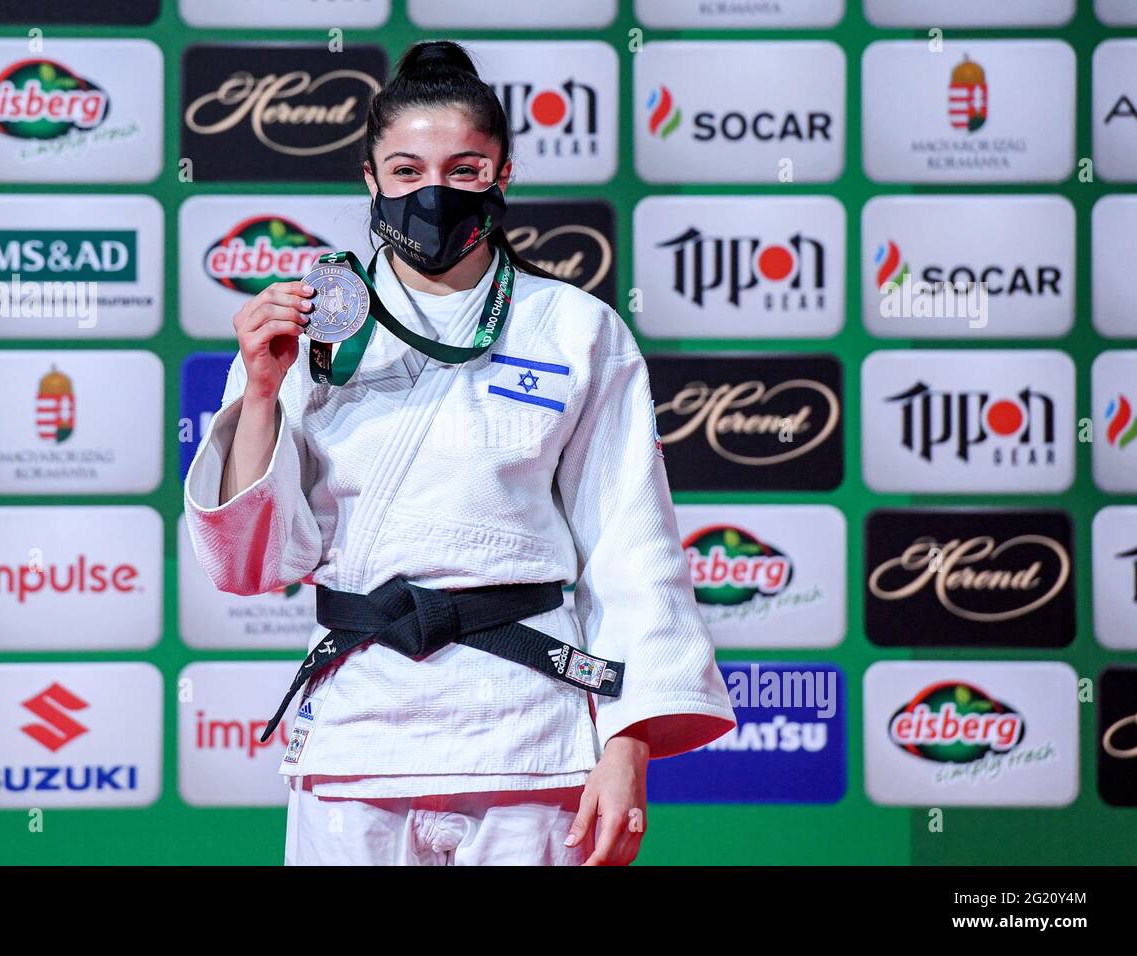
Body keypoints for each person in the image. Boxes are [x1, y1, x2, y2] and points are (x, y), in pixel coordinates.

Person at [183, 39, 736, 866]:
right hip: (359, 739)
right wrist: (259, 392)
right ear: (369, 180)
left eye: (464, 169)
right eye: (405, 171)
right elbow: (252, 565)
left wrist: (627, 743)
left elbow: (631, 546)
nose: (431, 192)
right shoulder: (313, 324)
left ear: (502, 175)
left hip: (528, 735)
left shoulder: (576, 329)